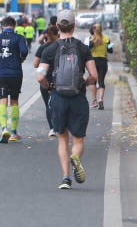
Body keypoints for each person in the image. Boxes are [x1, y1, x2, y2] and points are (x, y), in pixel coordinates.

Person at [36, 10, 98, 190]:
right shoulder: (83, 48)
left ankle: (65, 178)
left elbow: (40, 76)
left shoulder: (50, 49)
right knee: (78, 140)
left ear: (57, 26)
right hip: (78, 98)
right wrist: (84, 83)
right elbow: (94, 76)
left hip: (58, 98)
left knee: (62, 139)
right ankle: (75, 156)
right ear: (74, 25)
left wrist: (49, 87)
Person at [0, 16, 29, 143]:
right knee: (14, 101)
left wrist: (0, 57)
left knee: (2, 101)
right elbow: (24, 52)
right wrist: (20, 58)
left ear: (2, 26)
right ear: (14, 26)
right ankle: (14, 133)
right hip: (16, 73)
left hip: (1, 73)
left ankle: (4, 128)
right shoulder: (19, 38)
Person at [33, 25, 59, 137]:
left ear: (46, 35)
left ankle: (52, 128)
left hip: (46, 80)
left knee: (48, 104)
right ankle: (61, 126)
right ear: (57, 34)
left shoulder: (43, 48)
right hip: (60, 79)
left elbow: (35, 64)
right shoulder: (61, 46)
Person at [87, 23, 112, 109]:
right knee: (101, 81)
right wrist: (110, 44)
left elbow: (88, 49)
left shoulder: (91, 39)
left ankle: (94, 101)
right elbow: (110, 50)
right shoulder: (106, 38)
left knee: (93, 81)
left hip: (93, 62)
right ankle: (100, 99)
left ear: (94, 30)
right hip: (103, 61)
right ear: (101, 29)